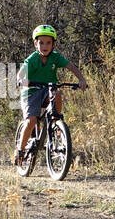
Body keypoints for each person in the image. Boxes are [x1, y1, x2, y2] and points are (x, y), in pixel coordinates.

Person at [14, 24, 85, 166]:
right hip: (31, 92)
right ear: (35, 44)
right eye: (41, 42)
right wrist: (22, 80)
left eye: (48, 43)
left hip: (48, 89)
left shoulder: (56, 57)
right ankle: (20, 150)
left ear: (53, 44)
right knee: (31, 121)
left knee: (57, 94)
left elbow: (71, 67)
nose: (44, 46)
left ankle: (55, 122)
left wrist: (81, 79)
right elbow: (20, 74)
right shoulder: (33, 59)